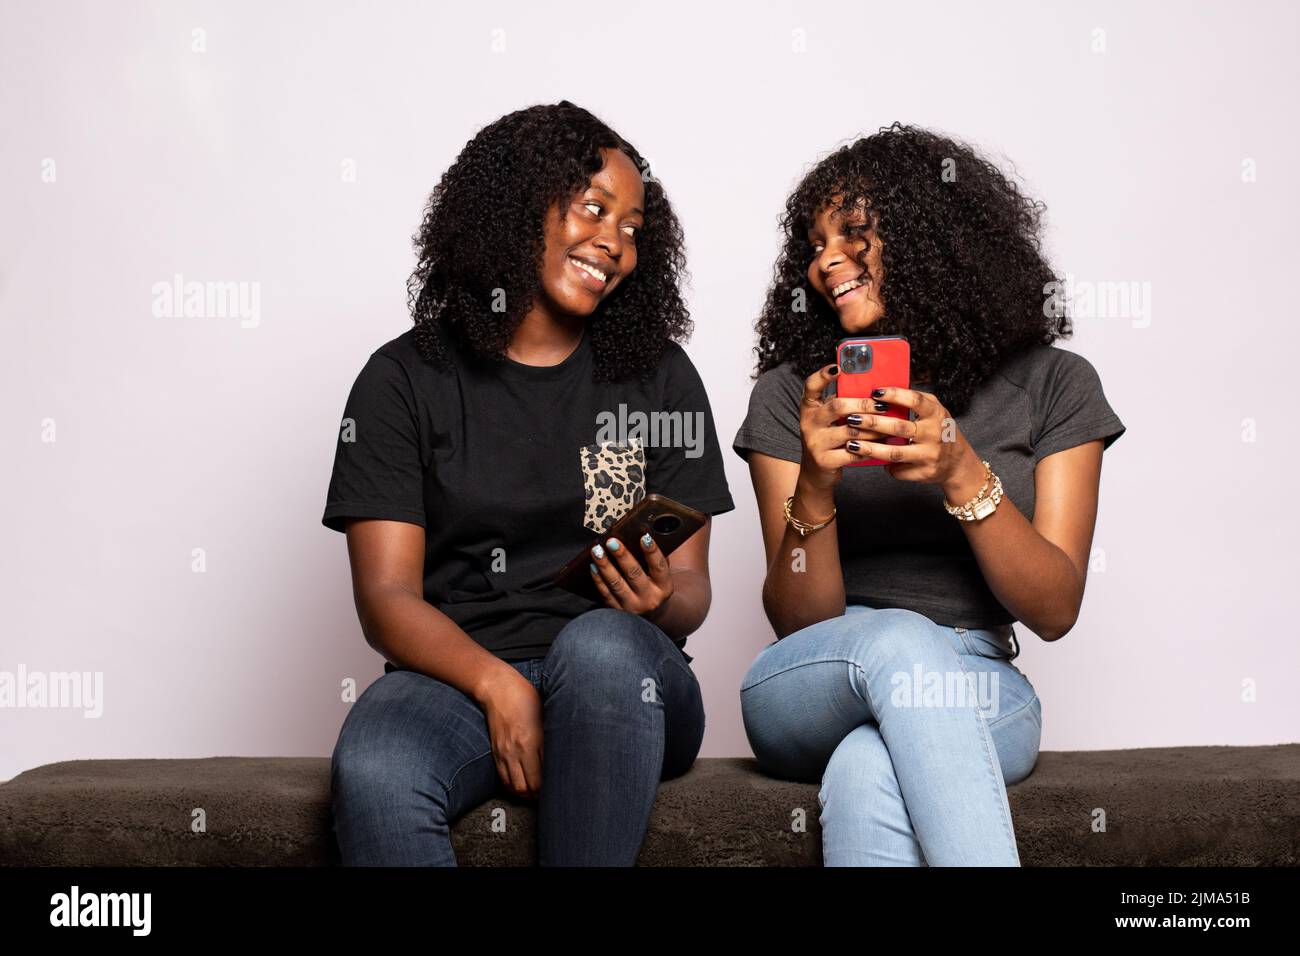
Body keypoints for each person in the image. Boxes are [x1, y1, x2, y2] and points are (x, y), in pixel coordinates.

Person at [323, 101, 733, 866]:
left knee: (601, 648)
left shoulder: (662, 379)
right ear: (519, 207)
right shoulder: (402, 381)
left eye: (635, 228)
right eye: (592, 208)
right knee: (376, 763)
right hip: (456, 675)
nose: (614, 242)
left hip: (630, 681)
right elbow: (387, 600)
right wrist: (495, 685)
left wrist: (661, 600)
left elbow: (694, 589)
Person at [732, 123, 1125, 866]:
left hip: (979, 679)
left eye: (852, 233)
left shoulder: (1055, 386)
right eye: (814, 245)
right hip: (814, 674)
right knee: (899, 644)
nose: (827, 262)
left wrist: (961, 473)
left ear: (932, 238)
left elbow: (1054, 608)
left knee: (866, 770)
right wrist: (815, 485)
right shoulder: (795, 396)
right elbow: (796, 622)